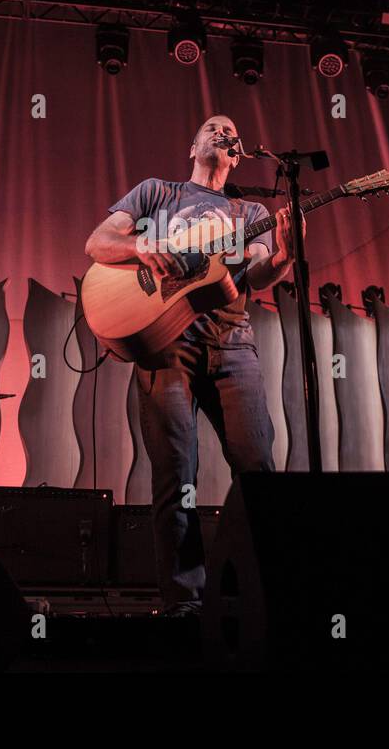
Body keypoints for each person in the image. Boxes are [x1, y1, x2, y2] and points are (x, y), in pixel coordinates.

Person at [84, 113, 302, 615]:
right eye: (213, 127)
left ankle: (260, 598)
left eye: (232, 133)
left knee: (258, 471)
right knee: (176, 478)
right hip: (164, 346)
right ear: (193, 146)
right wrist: (142, 245)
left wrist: (285, 256)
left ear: (238, 154)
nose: (225, 133)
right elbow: (98, 244)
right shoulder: (156, 194)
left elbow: (260, 274)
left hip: (232, 344)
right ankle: (185, 606)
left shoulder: (249, 213)